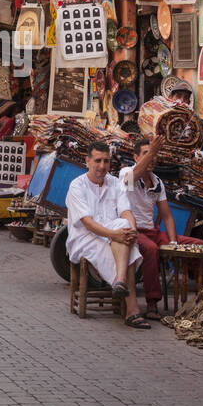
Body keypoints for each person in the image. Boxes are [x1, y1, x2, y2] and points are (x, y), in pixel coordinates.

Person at [119, 135, 203, 320]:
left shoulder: (157, 181)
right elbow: (136, 173)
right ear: (135, 157)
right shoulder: (126, 172)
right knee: (150, 249)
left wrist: (174, 242)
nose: (152, 158)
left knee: (200, 245)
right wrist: (154, 150)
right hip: (134, 231)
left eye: (153, 155)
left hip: (153, 232)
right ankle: (152, 304)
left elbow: (166, 216)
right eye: (145, 154)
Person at [65, 141, 149, 329]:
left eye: (106, 161)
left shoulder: (115, 183)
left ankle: (120, 282)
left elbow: (126, 211)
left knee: (124, 226)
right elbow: (87, 223)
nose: (102, 166)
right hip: (85, 238)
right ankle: (131, 309)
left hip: (114, 233)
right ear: (87, 161)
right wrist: (114, 235)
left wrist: (132, 230)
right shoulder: (77, 186)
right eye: (98, 161)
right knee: (121, 247)